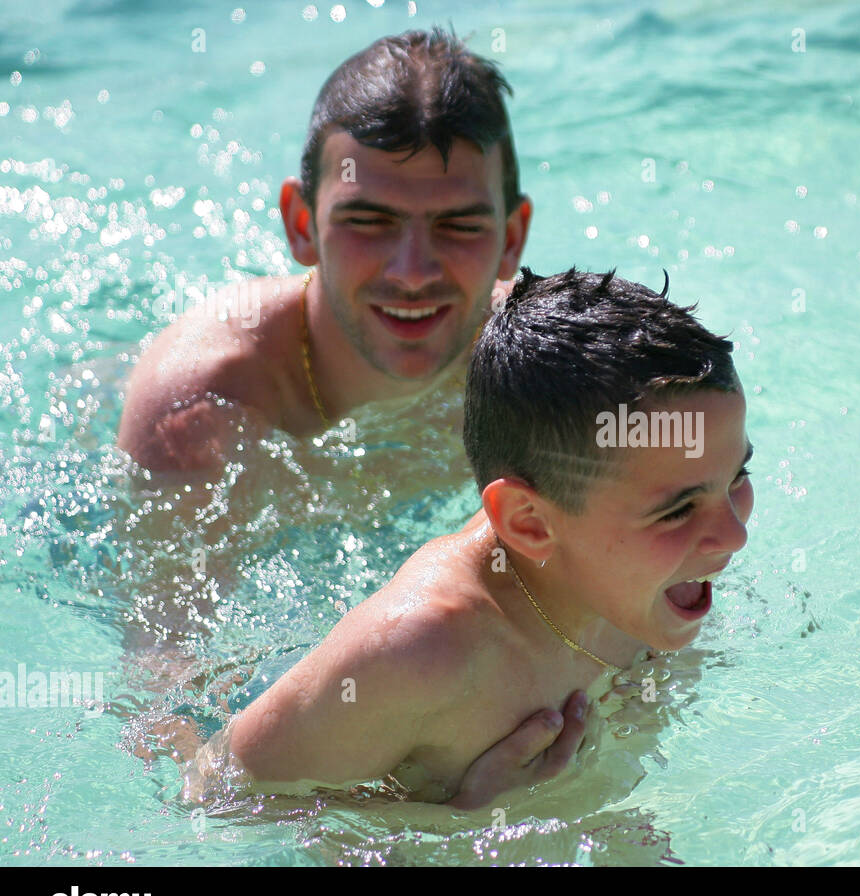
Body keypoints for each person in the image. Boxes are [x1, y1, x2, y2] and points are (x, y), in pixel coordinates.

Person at [121, 27, 586, 811]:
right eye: (368, 219)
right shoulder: (205, 409)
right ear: (301, 224)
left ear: (512, 238)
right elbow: (166, 731)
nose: (412, 272)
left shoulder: (537, 383)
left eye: (459, 225)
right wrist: (419, 814)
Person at [203, 268, 753, 809]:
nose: (734, 533)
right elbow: (212, 798)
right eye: (679, 510)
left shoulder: (648, 572)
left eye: (737, 478)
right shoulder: (417, 655)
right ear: (530, 524)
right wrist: (457, 824)